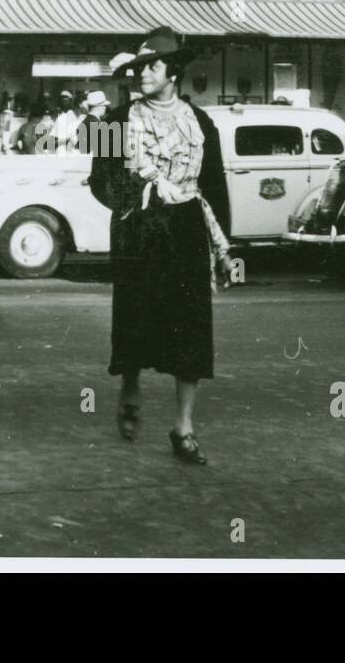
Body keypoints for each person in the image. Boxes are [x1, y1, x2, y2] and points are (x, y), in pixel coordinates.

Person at [89, 27, 235, 466]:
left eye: (152, 66)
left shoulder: (202, 122)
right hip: (137, 229)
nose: (142, 74)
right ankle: (130, 386)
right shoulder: (113, 120)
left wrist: (224, 249)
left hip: (187, 230)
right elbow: (99, 181)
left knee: (191, 327)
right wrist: (137, 196)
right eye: (137, 67)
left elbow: (214, 186)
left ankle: (184, 427)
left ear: (174, 72)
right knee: (136, 318)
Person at [52, 89, 82, 155]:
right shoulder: (57, 116)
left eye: (66, 100)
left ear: (71, 101)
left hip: (73, 150)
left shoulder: (76, 114)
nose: (64, 102)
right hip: (61, 150)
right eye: (62, 100)